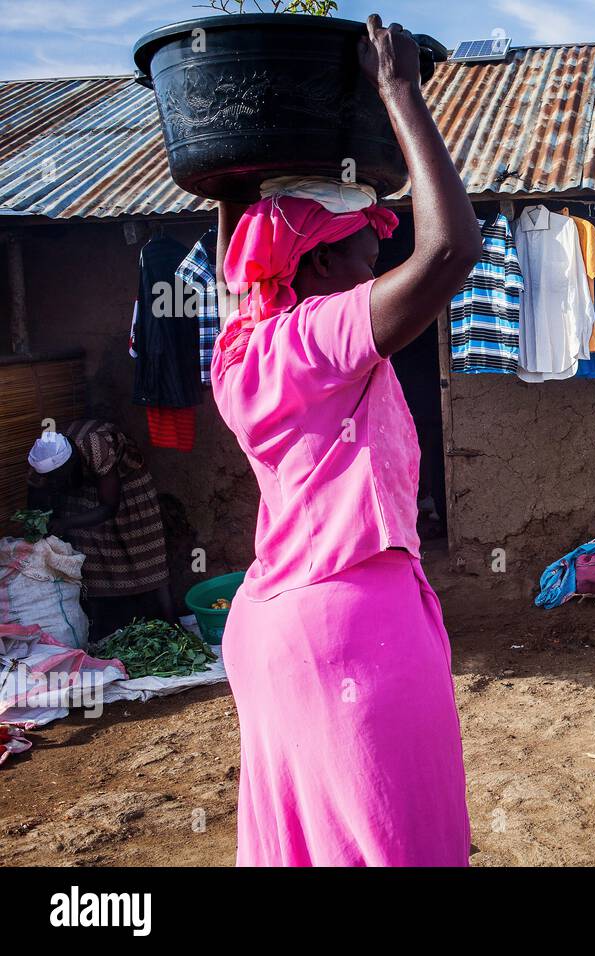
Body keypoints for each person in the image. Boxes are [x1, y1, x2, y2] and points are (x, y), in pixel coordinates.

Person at [210, 16, 482, 866]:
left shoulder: (242, 348)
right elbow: (450, 252)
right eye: (366, 254)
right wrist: (398, 91)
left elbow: (246, 262)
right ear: (320, 266)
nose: (378, 273)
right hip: (349, 632)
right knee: (391, 839)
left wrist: (234, 174)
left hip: (272, 629)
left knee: (310, 840)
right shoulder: (321, 332)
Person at [25, 420, 174, 640]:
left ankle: (172, 622)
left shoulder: (96, 446)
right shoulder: (41, 461)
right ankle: (100, 628)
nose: (59, 483)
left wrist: (65, 523)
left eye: (62, 477)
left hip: (127, 484)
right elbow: (35, 497)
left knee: (146, 554)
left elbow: (108, 507)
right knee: (91, 555)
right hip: (90, 487)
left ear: (72, 461)